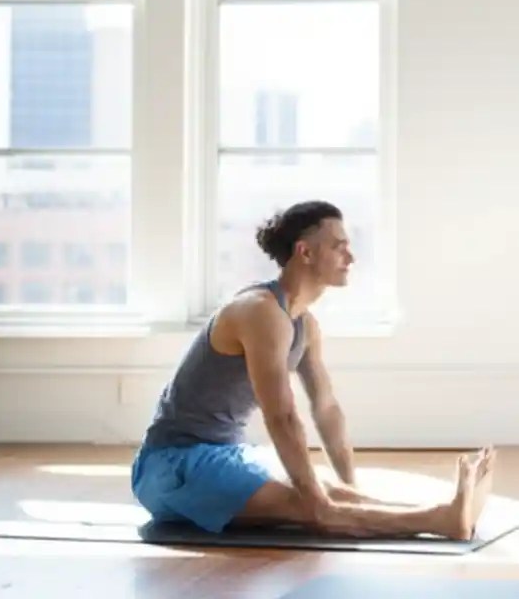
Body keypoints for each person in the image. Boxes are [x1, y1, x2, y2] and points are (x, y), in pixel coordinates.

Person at [130, 200, 496, 539]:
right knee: (311, 502)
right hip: (171, 465)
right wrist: (318, 507)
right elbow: (282, 417)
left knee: (329, 490)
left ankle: (443, 512)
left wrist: (350, 487)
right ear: (304, 252)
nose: (350, 257)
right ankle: (441, 521)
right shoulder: (259, 311)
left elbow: (326, 409)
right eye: (338, 246)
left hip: (224, 453)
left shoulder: (304, 324)